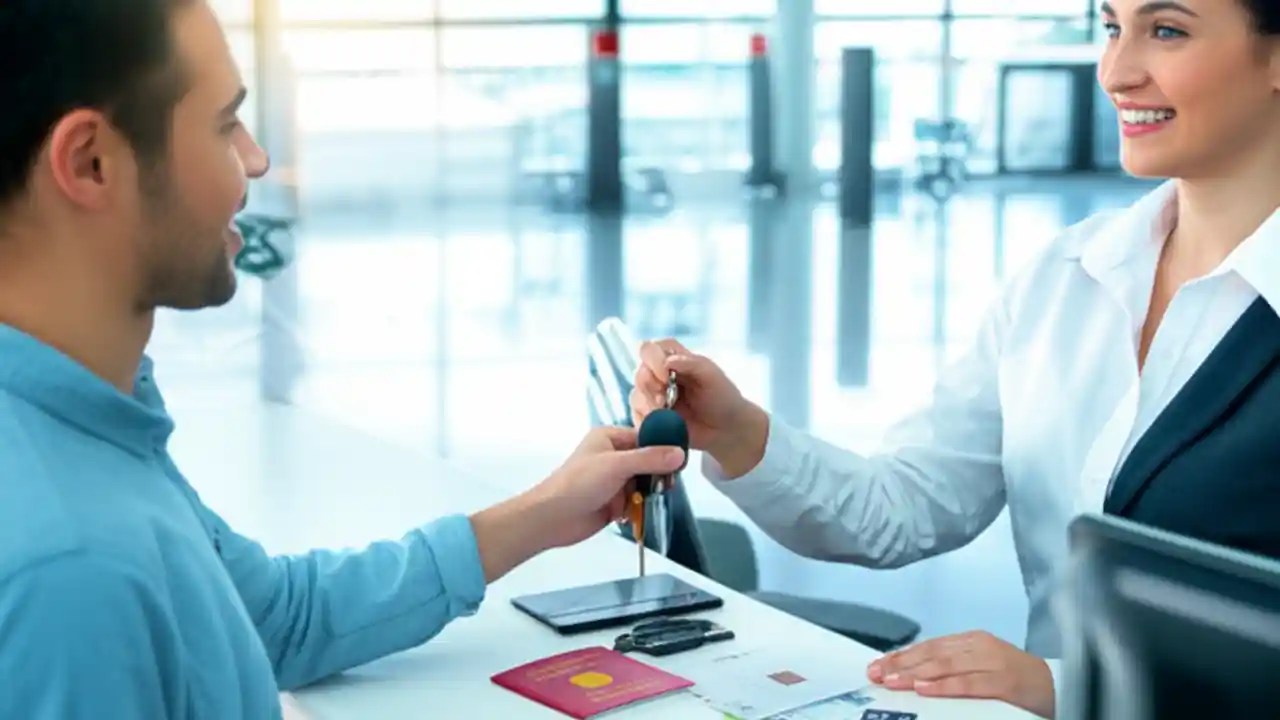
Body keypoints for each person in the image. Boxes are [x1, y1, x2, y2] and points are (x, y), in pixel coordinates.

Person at [0, 1, 685, 718]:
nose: (257, 160)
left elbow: (271, 621)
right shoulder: (68, 575)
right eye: (222, 124)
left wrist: (542, 513)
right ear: (92, 162)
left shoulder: (88, 428)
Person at [631, 0, 1280, 717]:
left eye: (1167, 31)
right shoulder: (1065, 278)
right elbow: (905, 507)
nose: (1116, 72)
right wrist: (738, 432)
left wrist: (1067, 687)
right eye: (1109, 28)